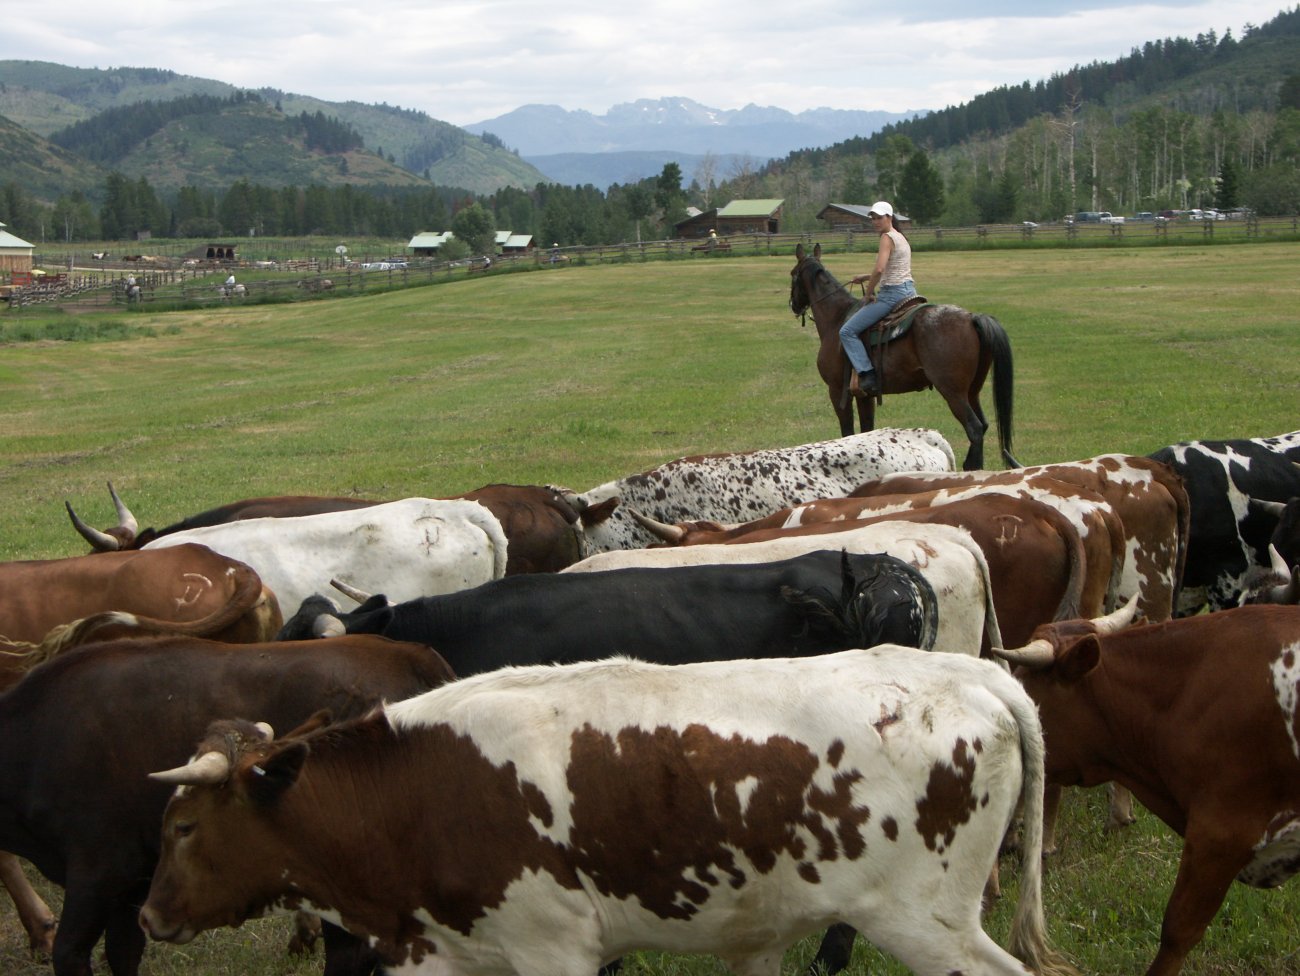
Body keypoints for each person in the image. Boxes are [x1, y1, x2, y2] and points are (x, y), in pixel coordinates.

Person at [839, 201, 916, 396]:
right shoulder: (901, 237)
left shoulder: (886, 238)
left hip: (891, 295)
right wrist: (866, 277)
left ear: (889, 217)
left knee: (847, 331)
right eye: (873, 218)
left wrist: (868, 293)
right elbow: (892, 268)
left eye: (879, 218)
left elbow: (880, 269)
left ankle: (867, 374)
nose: (875, 222)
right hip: (909, 292)